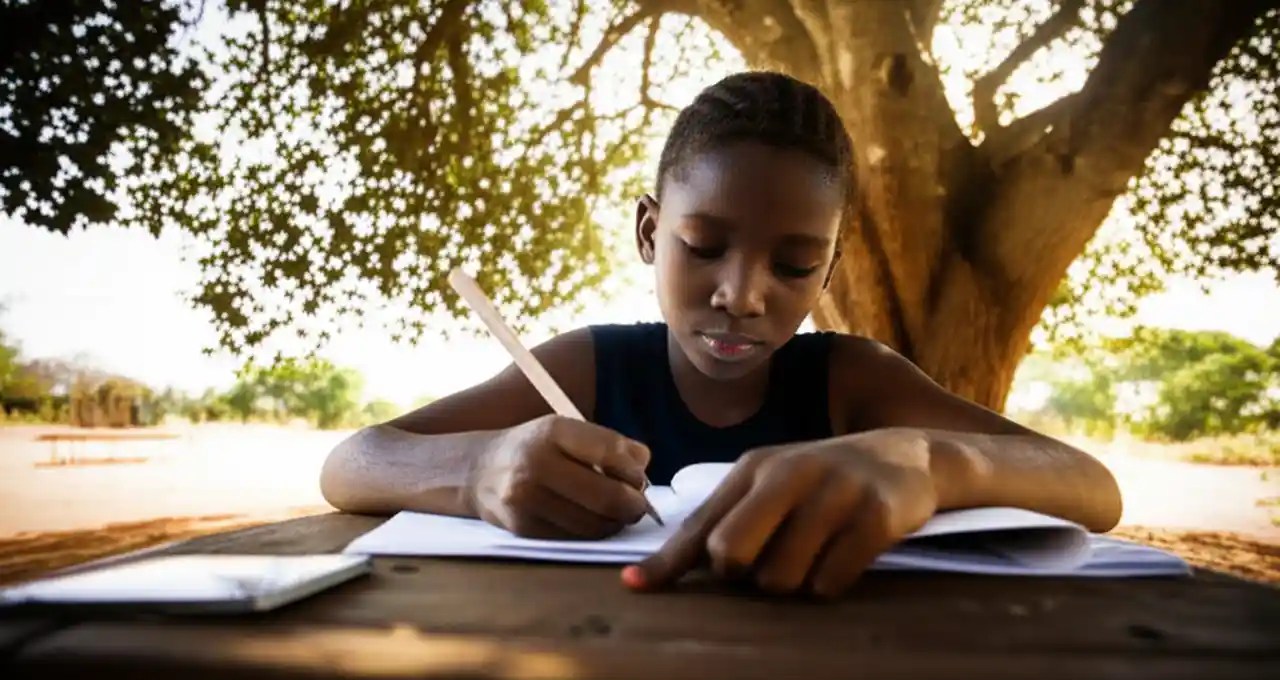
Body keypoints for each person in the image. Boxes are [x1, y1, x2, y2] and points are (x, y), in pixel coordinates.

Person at [320, 71, 1122, 598]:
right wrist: (480, 469)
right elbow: (351, 463)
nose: (742, 296)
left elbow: (1093, 489)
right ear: (647, 231)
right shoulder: (588, 367)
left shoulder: (853, 383)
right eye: (703, 248)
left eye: (797, 265)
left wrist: (921, 458)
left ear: (833, 267)